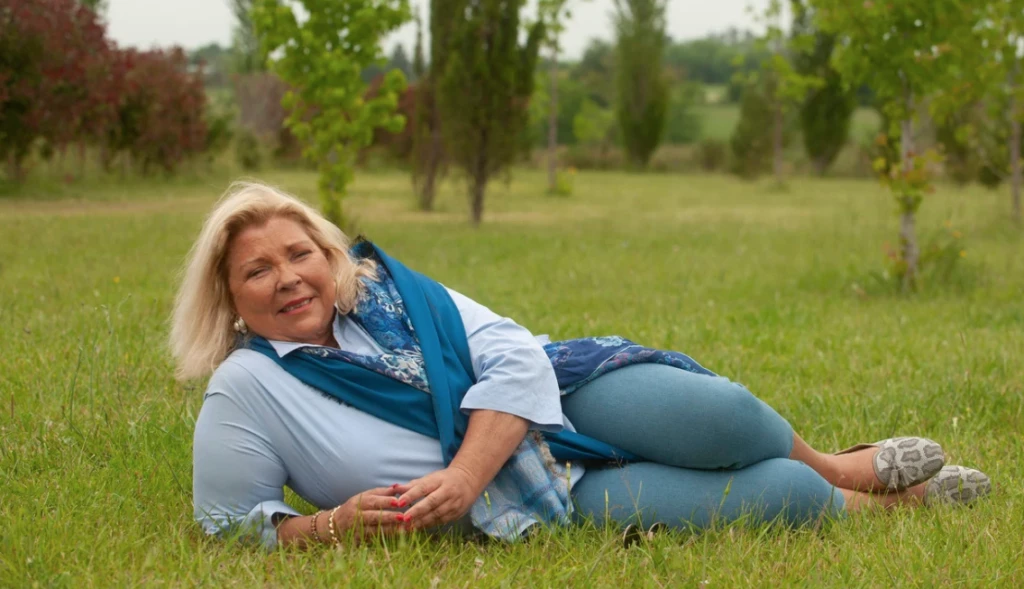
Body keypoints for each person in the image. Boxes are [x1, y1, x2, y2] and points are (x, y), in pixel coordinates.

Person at [171, 181, 990, 551]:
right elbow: (227, 524)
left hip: (560, 392)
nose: (288, 278)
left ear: (328, 251)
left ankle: (842, 462)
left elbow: (511, 350)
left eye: (300, 252)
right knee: (776, 501)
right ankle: (888, 502)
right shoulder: (248, 387)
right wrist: (329, 526)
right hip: (526, 491)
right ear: (229, 296)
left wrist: (462, 467)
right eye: (257, 270)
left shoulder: (385, 291)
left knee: (725, 415)